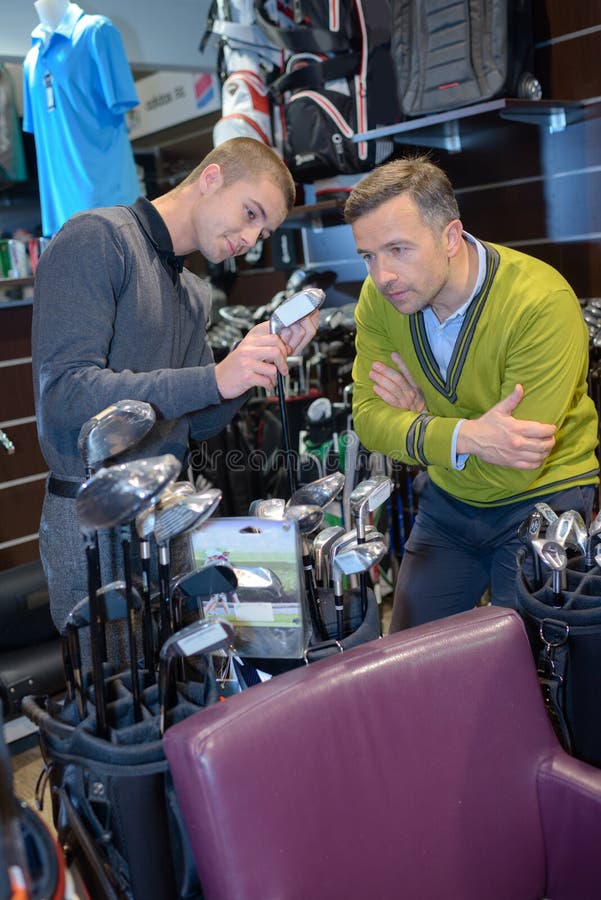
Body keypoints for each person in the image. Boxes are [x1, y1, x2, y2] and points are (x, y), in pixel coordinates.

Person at [32, 135, 319, 640]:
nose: (252, 239)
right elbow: (66, 395)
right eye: (250, 213)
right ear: (211, 178)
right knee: (120, 706)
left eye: (264, 230)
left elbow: (199, 422)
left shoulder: (192, 290)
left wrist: (253, 370)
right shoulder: (97, 239)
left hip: (171, 516)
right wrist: (215, 377)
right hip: (93, 525)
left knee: (184, 696)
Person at [345, 155, 599, 631]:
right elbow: (368, 420)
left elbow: (514, 466)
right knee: (408, 658)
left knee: (518, 672)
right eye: (369, 256)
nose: (383, 276)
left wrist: (420, 425)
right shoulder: (380, 300)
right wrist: (465, 436)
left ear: (450, 236)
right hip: (448, 502)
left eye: (398, 249)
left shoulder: (541, 303)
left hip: (543, 498)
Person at [23, 1, 140, 236]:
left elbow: (127, 115)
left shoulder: (96, 31)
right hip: (60, 219)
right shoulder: (30, 61)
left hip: (111, 207)